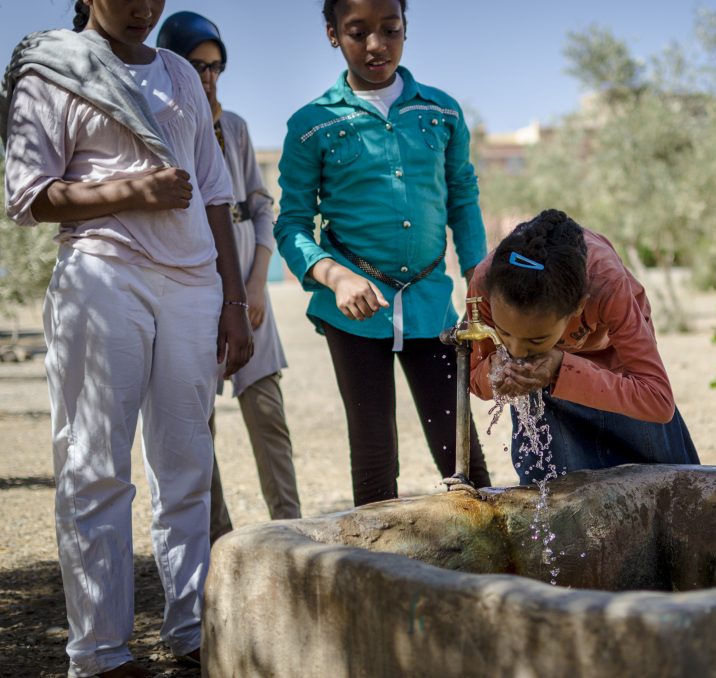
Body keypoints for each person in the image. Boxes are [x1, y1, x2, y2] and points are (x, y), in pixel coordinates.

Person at [0, 0, 253, 675]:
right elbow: (28, 196)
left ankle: (194, 631)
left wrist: (233, 298)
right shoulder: (54, 68)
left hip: (195, 285)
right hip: (103, 277)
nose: (144, 7)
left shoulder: (178, 72)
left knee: (187, 466)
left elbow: (215, 194)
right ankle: (100, 654)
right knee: (95, 469)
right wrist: (136, 190)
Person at [275, 0, 491, 506]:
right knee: (373, 456)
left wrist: (479, 276)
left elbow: (463, 194)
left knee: (461, 454)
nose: (377, 45)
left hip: (432, 304)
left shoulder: (441, 113)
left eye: (390, 30)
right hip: (352, 313)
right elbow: (291, 224)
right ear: (333, 34)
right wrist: (334, 276)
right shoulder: (310, 125)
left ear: (405, 29)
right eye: (358, 32)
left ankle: (488, 576)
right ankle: (376, 578)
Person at [157, 11, 301, 543]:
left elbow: (260, 208)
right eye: (197, 66)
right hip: (196, 287)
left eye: (216, 66)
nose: (209, 77)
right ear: (173, 64)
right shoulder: (162, 126)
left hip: (248, 286)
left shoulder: (234, 127)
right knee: (200, 430)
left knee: (269, 421)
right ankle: (219, 544)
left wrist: (257, 284)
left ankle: (290, 536)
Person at [467, 210, 701, 484]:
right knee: (552, 503)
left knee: (662, 488)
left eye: (536, 339)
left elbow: (657, 401)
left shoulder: (605, 281)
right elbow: (473, 378)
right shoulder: (488, 283)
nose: (517, 353)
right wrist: (495, 376)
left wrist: (560, 369)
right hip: (545, 381)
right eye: (505, 334)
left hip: (616, 369)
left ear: (578, 307)